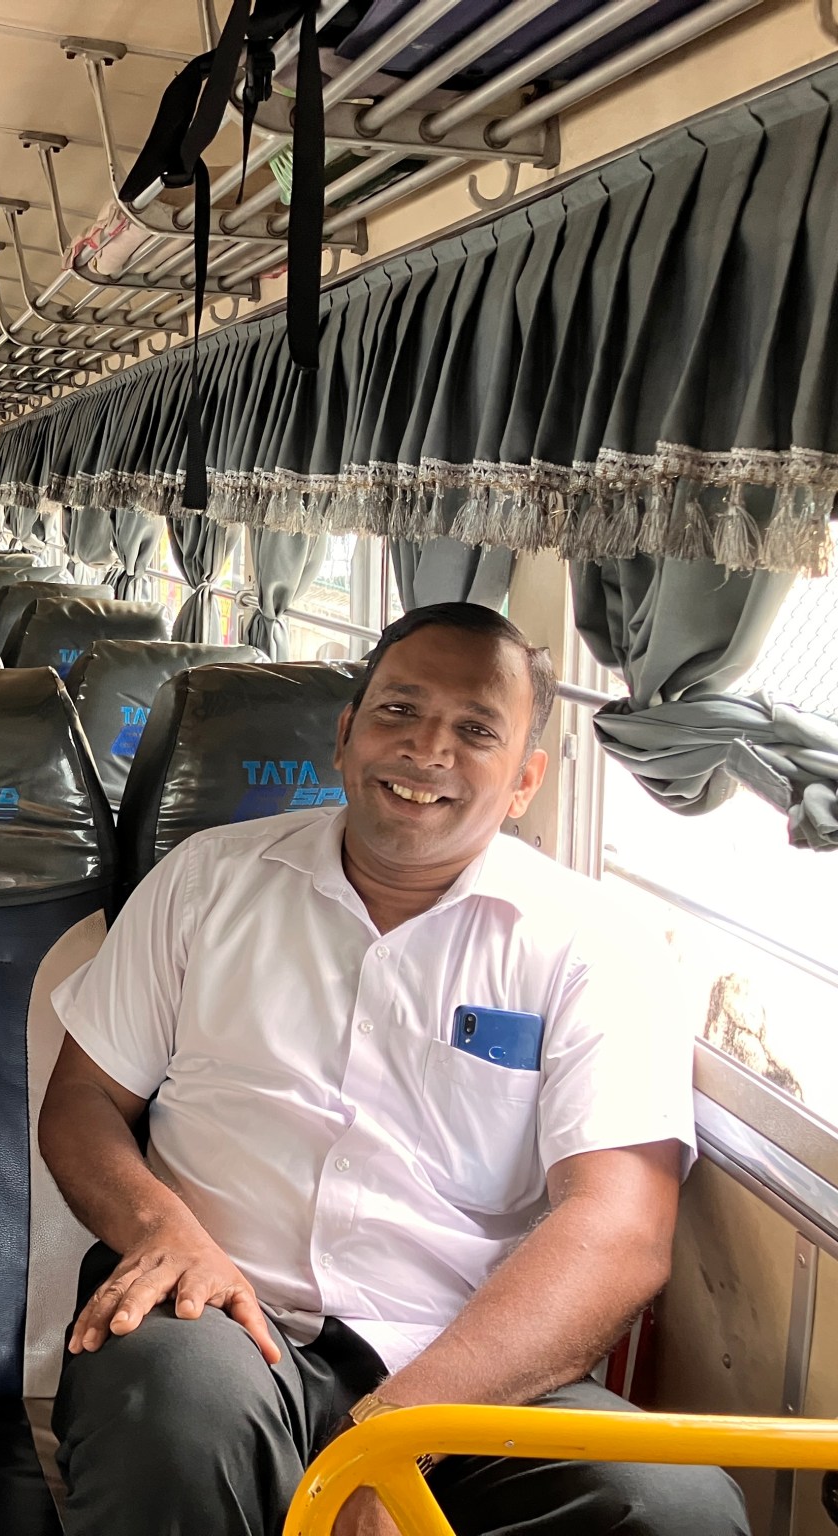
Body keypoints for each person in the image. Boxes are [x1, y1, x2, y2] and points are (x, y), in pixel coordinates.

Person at [38, 603, 748, 1536]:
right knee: (174, 1415)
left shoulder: (597, 947)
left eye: (476, 730)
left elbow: (618, 1227)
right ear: (345, 735)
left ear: (527, 779)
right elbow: (83, 1100)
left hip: (471, 1367)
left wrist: (400, 1432)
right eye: (398, 713)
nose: (427, 752)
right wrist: (164, 1231)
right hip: (218, 1318)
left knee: (677, 1506)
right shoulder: (207, 881)